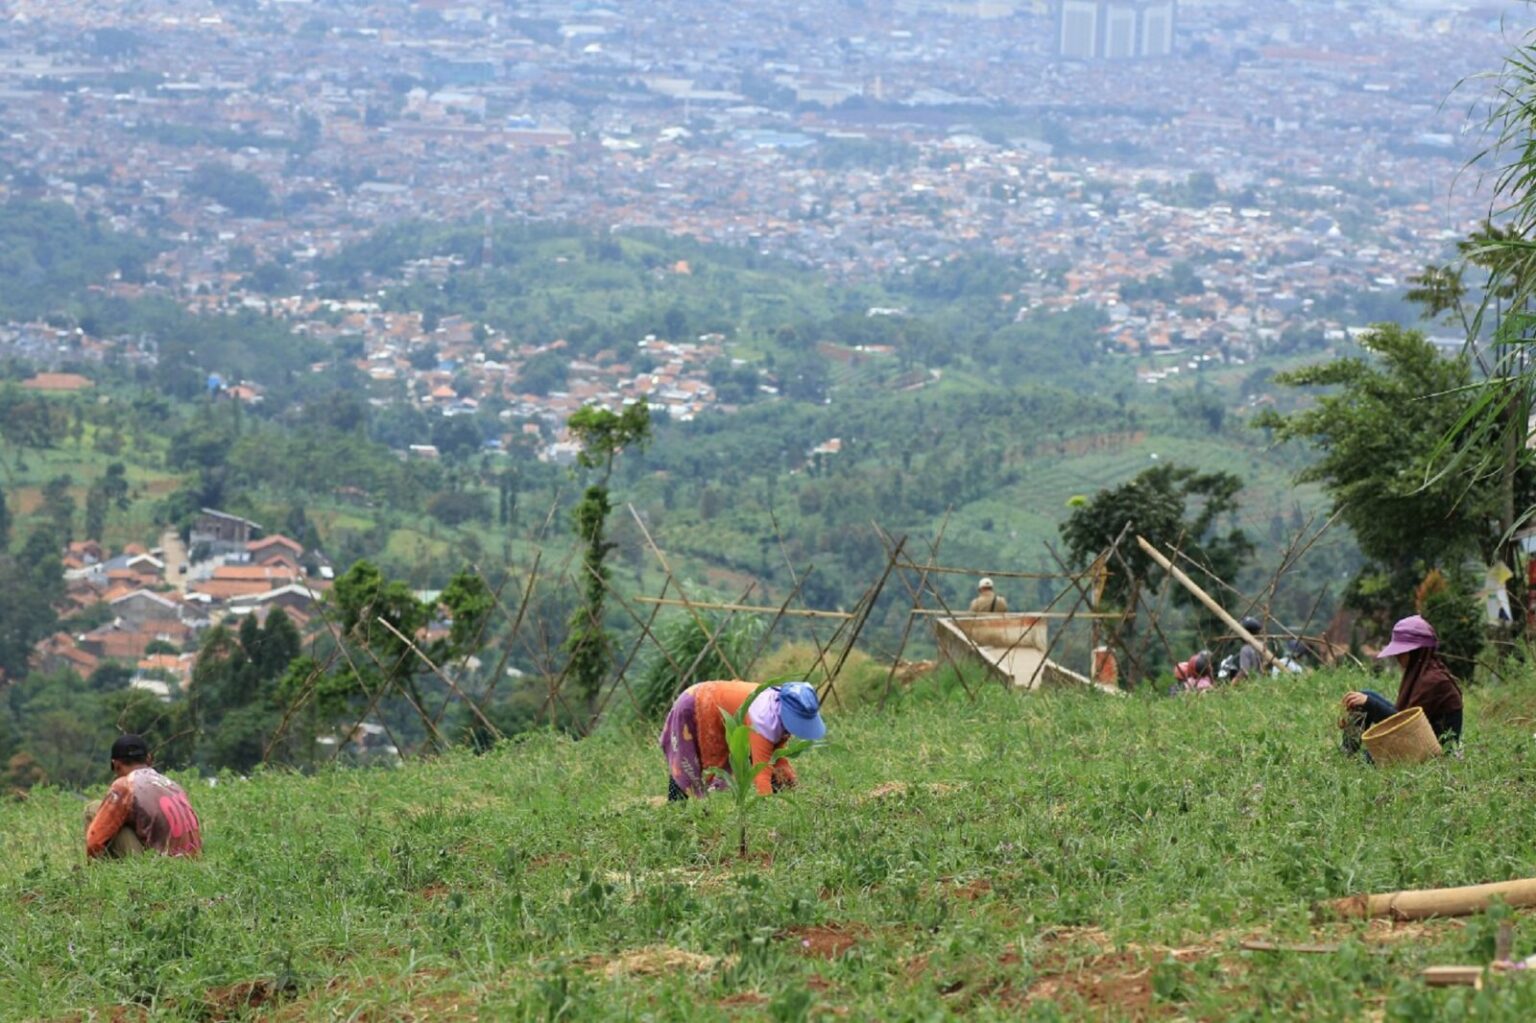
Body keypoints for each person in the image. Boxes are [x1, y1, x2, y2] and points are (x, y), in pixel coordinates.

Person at [660, 680, 826, 801]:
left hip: (714, 703)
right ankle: (676, 811)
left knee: (777, 770)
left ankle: (696, 812)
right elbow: (761, 771)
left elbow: (777, 758)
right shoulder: (763, 720)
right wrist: (766, 809)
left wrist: (795, 790)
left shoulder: (778, 711)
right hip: (696, 703)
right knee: (685, 763)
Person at [1340, 614, 1463, 752]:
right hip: (1415, 738)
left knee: (1370, 756)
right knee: (1364, 695)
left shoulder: (1433, 681)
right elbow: (1402, 717)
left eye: (1401, 651)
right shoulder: (1420, 673)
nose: (1396, 656)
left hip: (1431, 753)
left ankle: (1351, 756)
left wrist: (1369, 703)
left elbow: (1405, 726)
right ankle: (1347, 752)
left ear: (1416, 651)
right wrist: (1358, 709)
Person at [84, 734, 202, 859]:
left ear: (116, 765)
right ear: (149, 759)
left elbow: (95, 841)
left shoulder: (125, 785)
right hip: (191, 861)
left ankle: (101, 874)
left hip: (160, 866)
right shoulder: (173, 785)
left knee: (94, 809)